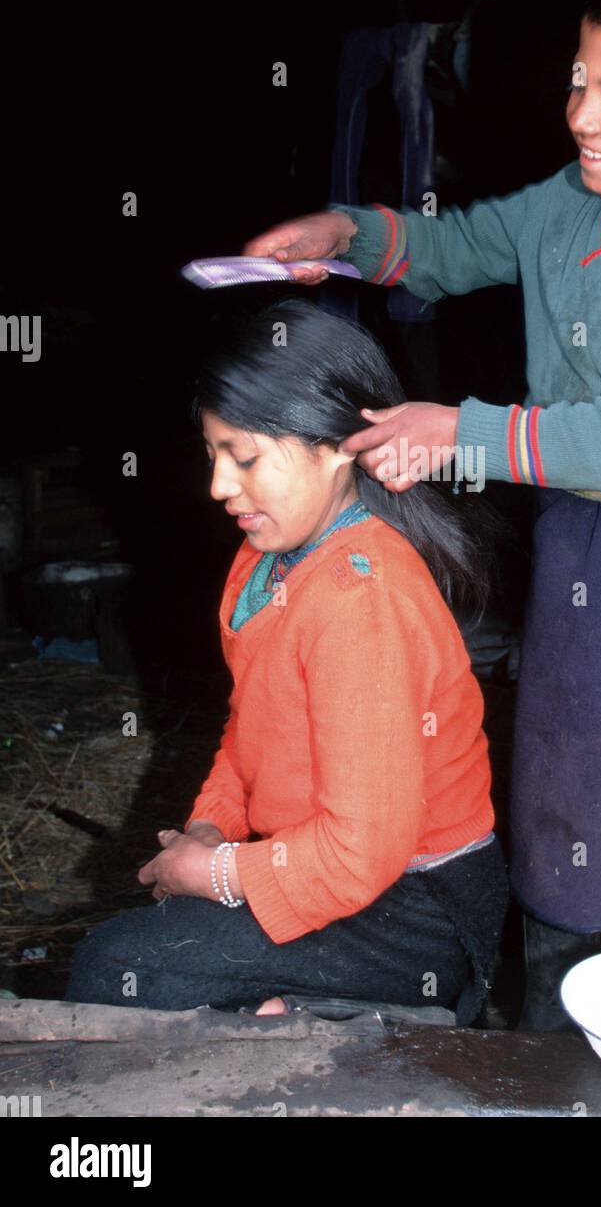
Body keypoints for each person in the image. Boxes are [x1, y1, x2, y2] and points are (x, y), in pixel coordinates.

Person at [242, 0, 601, 1029]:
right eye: (575, 84)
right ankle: (558, 1001)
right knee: (566, 753)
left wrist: (453, 430)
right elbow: (457, 246)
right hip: (580, 531)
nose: (581, 117)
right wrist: (350, 236)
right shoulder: (571, 201)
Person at [64, 300, 510, 1026]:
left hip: (413, 910)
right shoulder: (264, 560)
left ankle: (341, 1014)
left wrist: (212, 875)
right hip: (323, 868)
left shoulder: (359, 599)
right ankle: (289, 1009)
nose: (218, 485)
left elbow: (359, 857)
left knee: (119, 972)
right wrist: (210, 825)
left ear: (335, 445)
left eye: (243, 457)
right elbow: (249, 730)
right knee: (134, 963)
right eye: (212, 454)